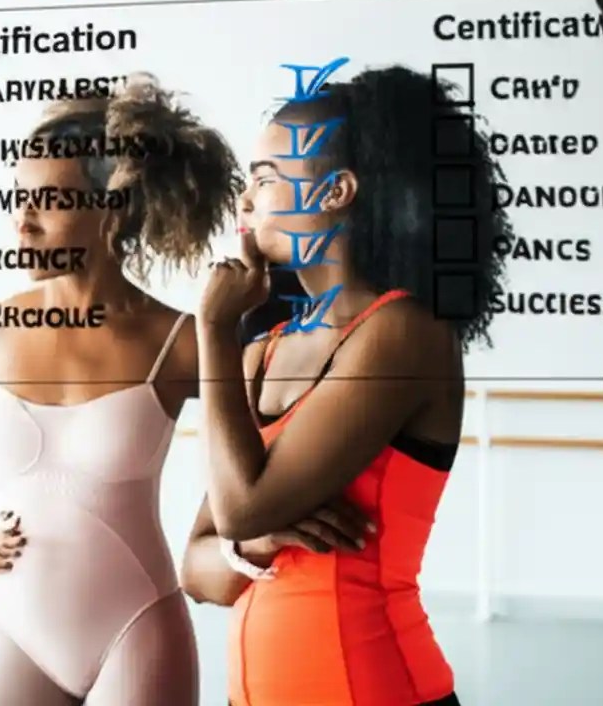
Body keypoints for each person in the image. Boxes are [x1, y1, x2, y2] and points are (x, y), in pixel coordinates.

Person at [0, 74, 241, 705]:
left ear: (113, 211)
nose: (21, 223)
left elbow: (251, 464)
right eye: (18, 198)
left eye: (47, 202)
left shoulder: (183, 341)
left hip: (137, 631)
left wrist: (218, 539)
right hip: (17, 633)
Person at [186, 65, 512, 705]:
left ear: (334, 192)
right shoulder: (265, 349)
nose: (244, 202)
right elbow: (199, 573)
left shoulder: (402, 333)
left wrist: (211, 328)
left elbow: (238, 508)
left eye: (265, 179)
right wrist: (255, 543)